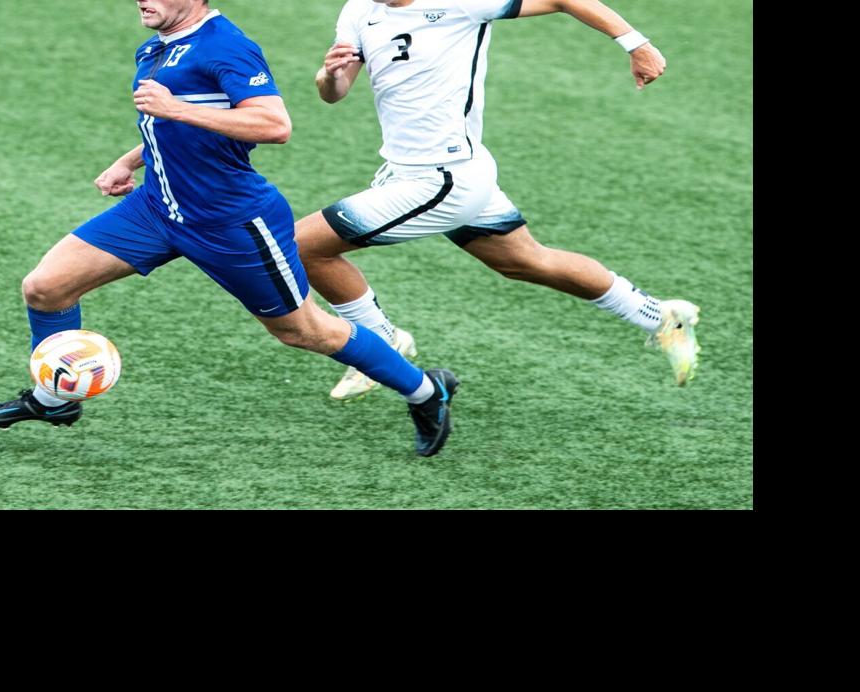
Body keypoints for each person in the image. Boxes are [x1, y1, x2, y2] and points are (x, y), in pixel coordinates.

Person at [0, 0, 460, 457]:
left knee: (304, 330)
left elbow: (273, 125)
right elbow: (175, 123)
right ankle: (54, 400)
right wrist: (130, 160)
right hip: (157, 208)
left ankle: (424, 389)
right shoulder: (157, 46)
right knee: (46, 287)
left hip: (231, 221)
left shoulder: (226, 45)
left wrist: (174, 107)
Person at [299, 0, 700, 401]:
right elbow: (334, 92)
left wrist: (637, 45)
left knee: (304, 246)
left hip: (444, 178)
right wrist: (330, 74)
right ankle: (660, 317)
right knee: (525, 261)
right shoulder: (359, 10)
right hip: (424, 172)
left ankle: (380, 343)